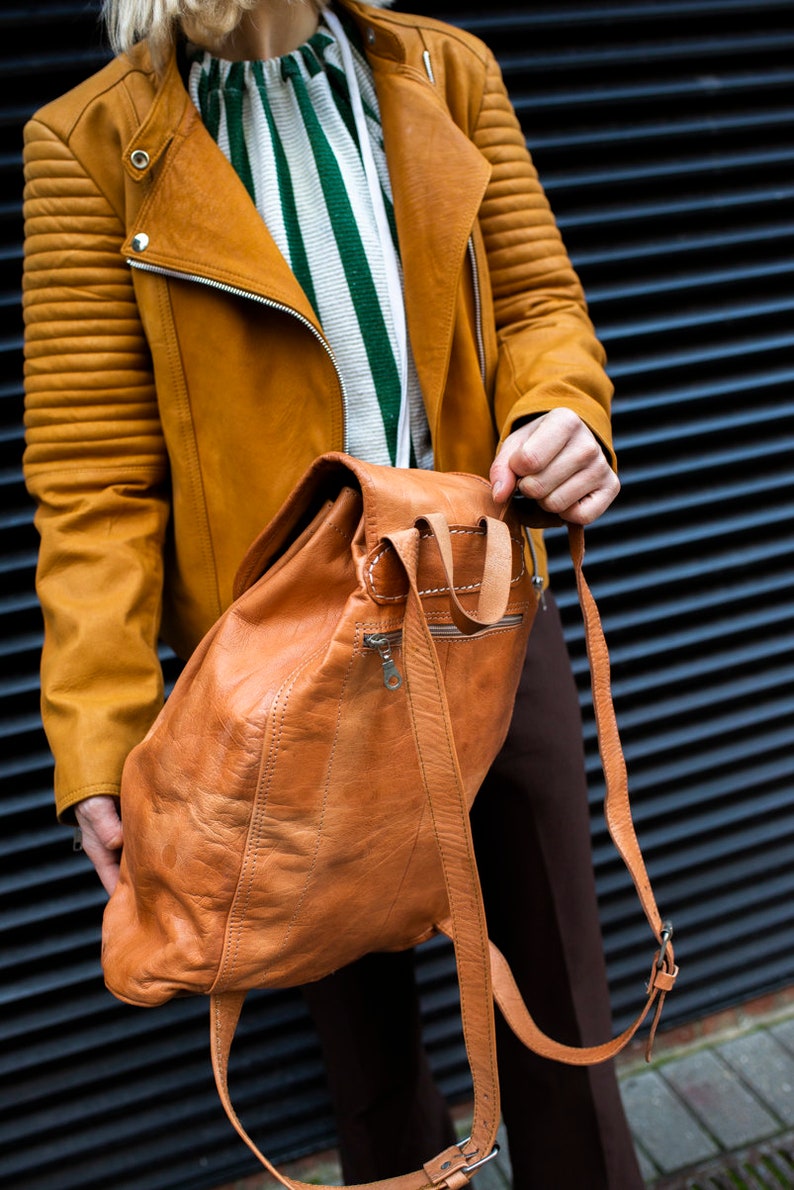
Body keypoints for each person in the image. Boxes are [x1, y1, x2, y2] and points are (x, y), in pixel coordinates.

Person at [22, 0, 643, 1184]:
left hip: (485, 606)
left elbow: (537, 305)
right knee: (367, 1065)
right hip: (284, 677)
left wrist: (561, 408)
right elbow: (92, 479)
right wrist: (97, 740)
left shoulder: (443, 70)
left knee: (560, 1013)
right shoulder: (90, 142)